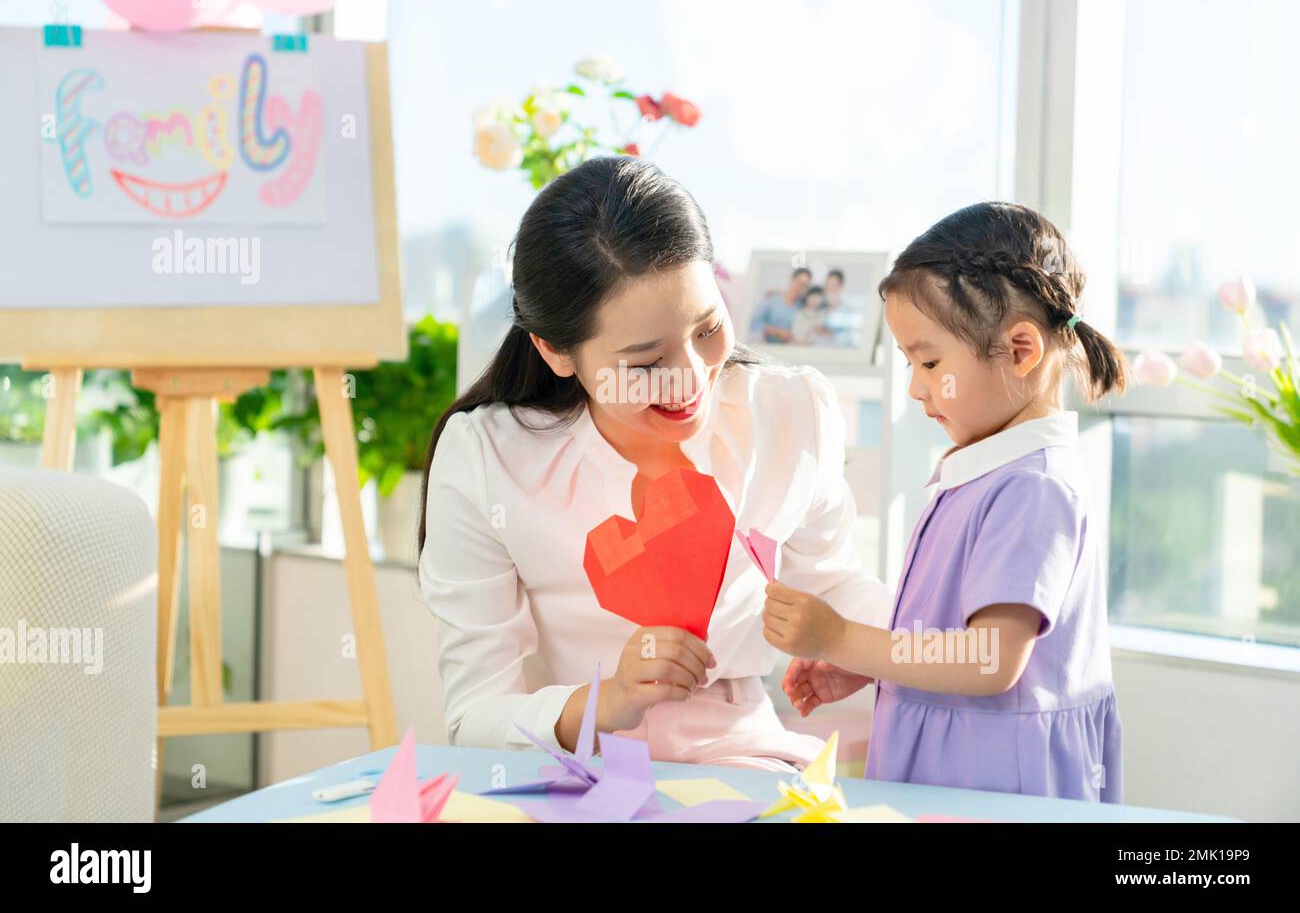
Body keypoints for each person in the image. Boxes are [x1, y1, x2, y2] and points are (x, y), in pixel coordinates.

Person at [418, 157, 890, 770]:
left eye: (708, 328)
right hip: (576, 771)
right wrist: (607, 700)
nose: (692, 379)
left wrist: (923, 648)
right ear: (555, 350)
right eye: (644, 363)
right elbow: (474, 713)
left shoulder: (788, 412)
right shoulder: (487, 459)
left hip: (748, 760)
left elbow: (831, 584)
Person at [764, 201, 1126, 801]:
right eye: (909, 362)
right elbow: (956, 636)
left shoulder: (1032, 486)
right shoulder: (988, 469)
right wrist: (872, 663)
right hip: (960, 767)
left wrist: (840, 638)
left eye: (929, 361)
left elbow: (990, 659)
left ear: (1020, 351)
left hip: (996, 781)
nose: (914, 385)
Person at [748, 267, 811, 344]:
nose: (800, 288)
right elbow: (754, 323)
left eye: (805, 286)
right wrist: (777, 332)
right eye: (799, 283)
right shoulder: (771, 300)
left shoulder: (802, 306)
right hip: (766, 347)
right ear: (791, 279)